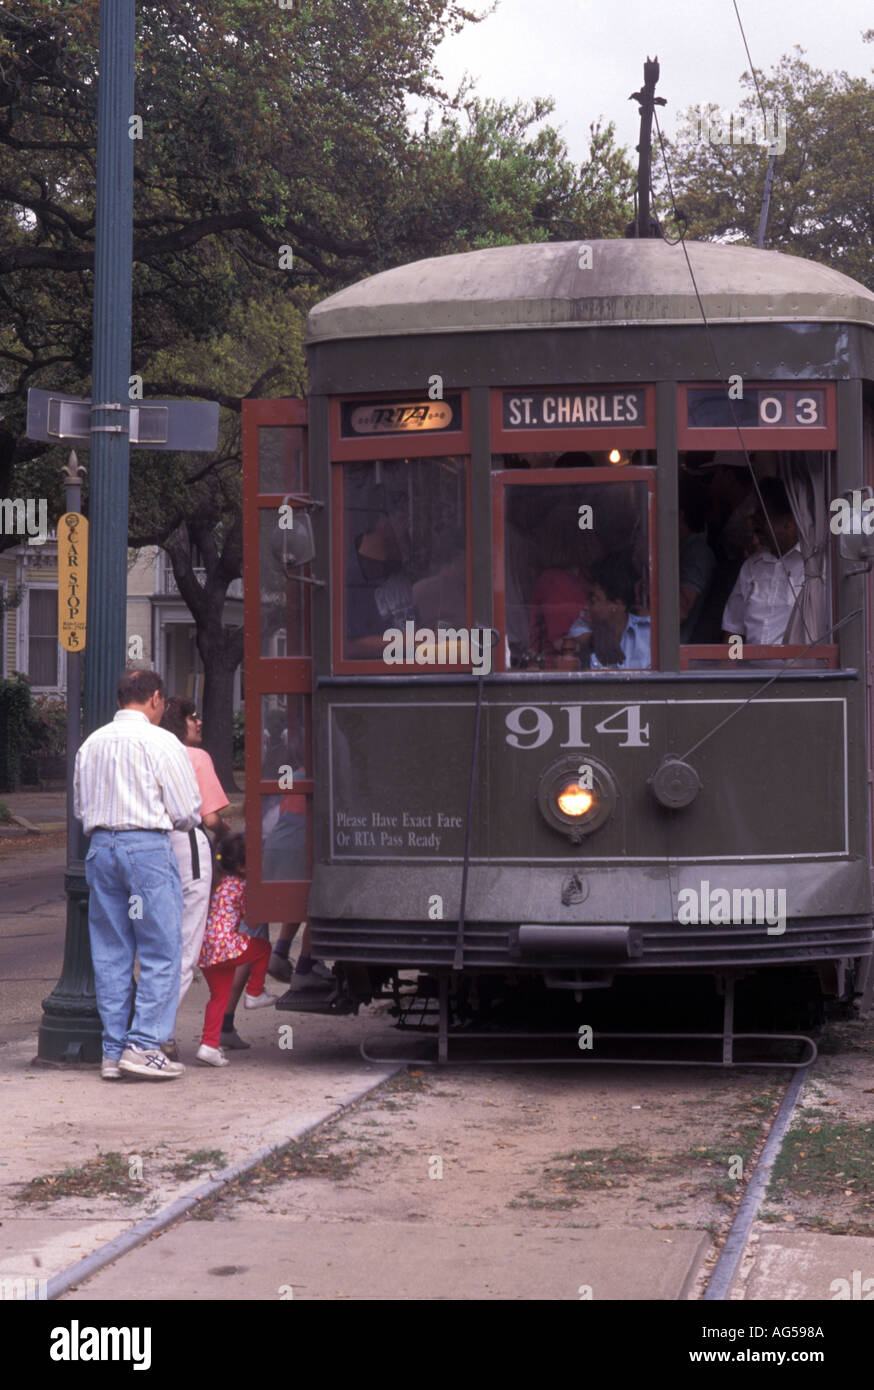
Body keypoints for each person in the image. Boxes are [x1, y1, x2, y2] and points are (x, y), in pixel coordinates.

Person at [73, 669, 201, 1081]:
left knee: (111, 952)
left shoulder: (91, 743)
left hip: (101, 848)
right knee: (161, 949)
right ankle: (145, 1045)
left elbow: (80, 808)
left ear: (119, 699)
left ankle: (112, 1051)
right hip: (145, 848)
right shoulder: (161, 741)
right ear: (156, 699)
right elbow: (185, 811)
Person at [159, 697, 231, 1060]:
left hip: (151, 849)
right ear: (179, 722)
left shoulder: (151, 751)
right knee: (185, 948)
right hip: (189, 847)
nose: (199, 722)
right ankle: (161, 1032)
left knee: (154, 947)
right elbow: (213, 819)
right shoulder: (196, 758)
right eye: (192, 717)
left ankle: (138, 1028)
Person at [196, 832, 275, 1067]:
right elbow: (251, 922)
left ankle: (209, 1045)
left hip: (206, 950)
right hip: (226, 945)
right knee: (263, 947)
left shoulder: (216, 881)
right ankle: (255, 992)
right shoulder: (242, 886)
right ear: (242, 867)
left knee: (219, 997)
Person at [721, 477, 803, 645]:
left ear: (789, 524)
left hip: (798, 670)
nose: (755, 528)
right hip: (752, 670)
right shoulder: (752, 566)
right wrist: (729, 667)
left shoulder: (814, 568)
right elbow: (734, 631)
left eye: (763, 521)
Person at [570, 552, 651, 669]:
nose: (586, 606)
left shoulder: (648, 632)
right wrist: (592, 640)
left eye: (593, 600)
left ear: (616, 604)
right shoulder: (583, 623)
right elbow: (576, 640)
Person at [678, 477, 716, 643]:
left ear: (678, 514)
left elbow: (680, 612)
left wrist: (653, 560)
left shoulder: (697, 554)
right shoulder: (684, 548)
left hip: (681, 658)